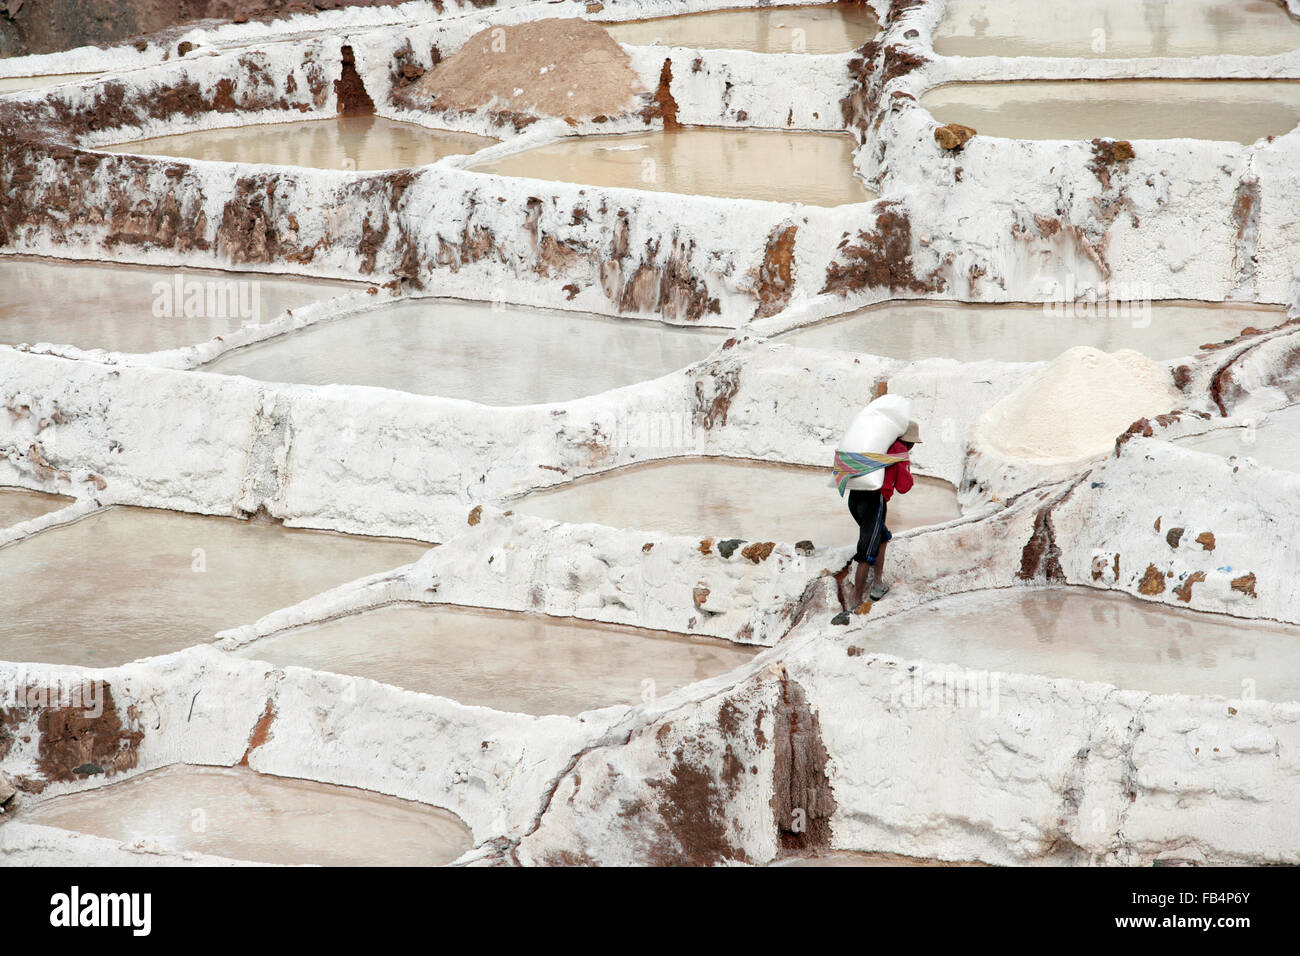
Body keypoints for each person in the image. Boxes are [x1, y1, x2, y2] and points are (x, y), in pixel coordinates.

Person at [842, 419, 920, 607]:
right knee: (867, 550)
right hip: (874, 501)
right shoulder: (899, 450)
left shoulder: (879, 443)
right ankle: (856, 601)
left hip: (854, 497)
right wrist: (908, 472)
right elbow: (903, 486)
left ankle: (878, 583)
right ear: (908, 441)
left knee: (882, 537)